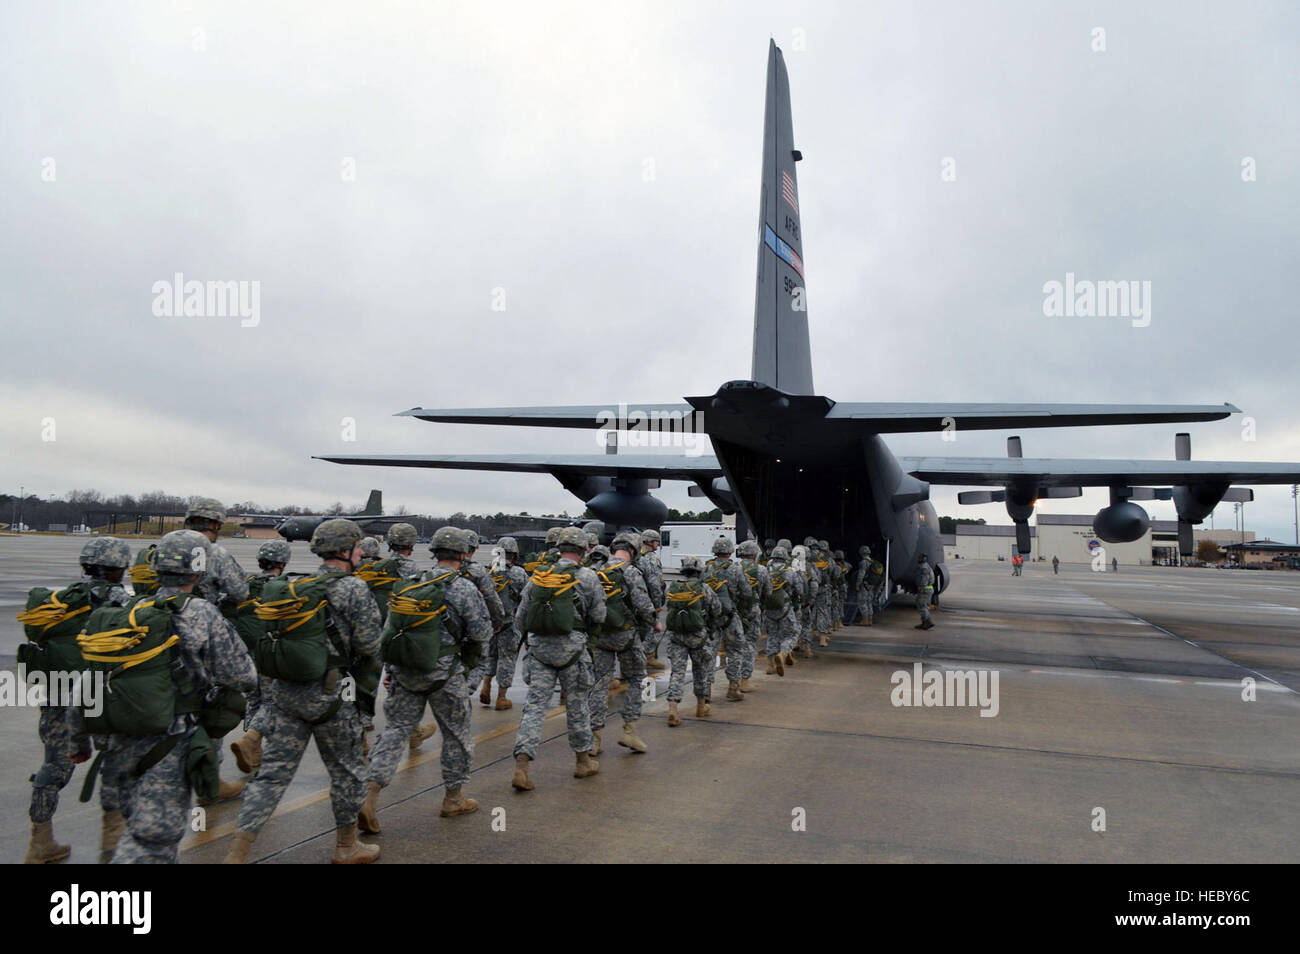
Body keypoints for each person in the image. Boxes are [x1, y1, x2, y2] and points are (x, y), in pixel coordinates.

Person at [84, 530, 256, 863]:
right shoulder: (201, 614)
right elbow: (242, 675)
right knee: (154, 843)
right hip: (169, 745)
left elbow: (88, 679)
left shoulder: (126, 608)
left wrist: (79, 739)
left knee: (132, 828)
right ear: (198, 567)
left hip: (118, 742)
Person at [224, 519, 381, 864]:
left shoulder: (296, 586)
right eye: (356, 548)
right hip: (332, 700)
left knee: (269, 778)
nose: (360, 553)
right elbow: (370, 644)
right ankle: (346, 847)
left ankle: (237, 852)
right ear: (344, 551)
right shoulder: (353, 589)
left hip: (285, 699)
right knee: (348, 773)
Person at [358, 527, 492, 834]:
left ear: (433, 553)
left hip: (406, 672)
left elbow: (389, 634)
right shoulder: (463, 588)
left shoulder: (409, 584)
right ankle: (453, 798)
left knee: (394, 732)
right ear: (461, 554)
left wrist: (391, 671)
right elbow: (482, 632)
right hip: (445, 675)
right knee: (456, 735)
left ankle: (369, 797)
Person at [18, 536, 132, 864]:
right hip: (102, 693)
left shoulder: (64, 600)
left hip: (58, 689)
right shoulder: (121, 600)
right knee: (117, 764)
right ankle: (114, 846)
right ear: (118, 567)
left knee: (55, 765)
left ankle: (39, 843)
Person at [510, 527, 606, 791]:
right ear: (584, 550)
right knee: (577, 705)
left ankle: (522, 765)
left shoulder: (538, 577)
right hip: (573, 650)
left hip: (539, 651)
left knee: (534, 707)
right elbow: (599, 616)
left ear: (558, 548)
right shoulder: (588, 577)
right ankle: (582, 761)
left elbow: (520, 619)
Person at [228, 539, 292, 778]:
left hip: (245, 652)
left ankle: (252, 748)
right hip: (269, 651)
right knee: (272, 701)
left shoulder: (248, 584)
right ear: (282, 563)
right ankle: (250, 743)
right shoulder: (282, 587)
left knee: (254, 700)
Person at [586, 536, 656, 754]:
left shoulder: (594, 571)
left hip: (600, 637)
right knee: (637, 679)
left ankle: (594, 739)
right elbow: (643, 605)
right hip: (627, 636)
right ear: (633, 551)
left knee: (599, 684)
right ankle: (630, 731)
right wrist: (653, 623)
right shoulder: (631, 572)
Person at [664, 556, 725, 725]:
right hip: (699, 637)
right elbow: (717, 609)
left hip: (677, 637)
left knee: (677, 673)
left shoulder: (674, 587)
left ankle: (673, 709)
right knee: (701, 671)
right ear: (699, 570)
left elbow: (669, 607)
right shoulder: (704, 588)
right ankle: (700, 707)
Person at [480, 536, 529, 710]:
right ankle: (501, 697)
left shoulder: (486, 571)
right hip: (509, 624)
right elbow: (526, 598)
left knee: (491, 656)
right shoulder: (519, 573)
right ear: (515, 555)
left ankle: (486, 686)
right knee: (507, 659)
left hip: (489, 624)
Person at [703, 537, 751, 702]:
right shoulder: (736, 569)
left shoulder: (706, 568)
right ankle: (733, 687)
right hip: (730, 615)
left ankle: (706, 691)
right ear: (730, 552)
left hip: (710, 617)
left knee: (709, 653)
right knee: (736, 651)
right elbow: (747, 593)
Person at [734, 540, 771, 691]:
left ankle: (733, 680)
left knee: (735, 646)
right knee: (750, 645)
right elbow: (768, 592)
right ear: (754, 554)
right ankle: (744, 681)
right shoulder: (761, 570)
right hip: (753, 610)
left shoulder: (733, 568)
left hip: (735, 611)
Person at [762, 545, 803, 675]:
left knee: (772, 635)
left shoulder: (765, 570)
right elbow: (800, 590)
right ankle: (783, 653)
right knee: (791, 634)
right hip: (785, 607)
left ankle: (770, 665)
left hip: (768, 608)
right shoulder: (790, 571)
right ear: (785, 557)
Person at [636, 529, 667, 671]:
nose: (657, 544)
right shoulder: (652, 558)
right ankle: (648, 657)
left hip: (635, 598)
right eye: (656, 541)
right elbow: (655, 582)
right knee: (651, 628)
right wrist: (657, 603)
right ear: (649, 541)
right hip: (648, 598)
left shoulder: (635, 555)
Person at [914, 553, 935, 630]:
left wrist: (921, 587)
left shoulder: (923, 568)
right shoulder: (926, 566)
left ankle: (928, 622)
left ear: (923, 559)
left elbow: (924, 579)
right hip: (928, 589)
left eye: (919, 558)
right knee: (923, 606)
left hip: (925, 589)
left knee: (922, 606)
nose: (918, 559)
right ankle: (924, 623)